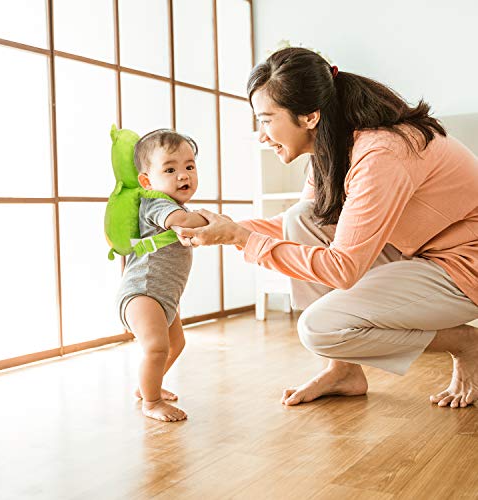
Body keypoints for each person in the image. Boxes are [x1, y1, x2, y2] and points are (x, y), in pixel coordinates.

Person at [175, 47, 478, 409]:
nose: (261, 135)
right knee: (299, 217)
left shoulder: (382, 153)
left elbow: (343, 268)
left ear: (309, 116)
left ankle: (466, 343)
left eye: (267, 120)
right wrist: (221, 227)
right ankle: (344, 371)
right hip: (421, 252)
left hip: (464, 265)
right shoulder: (335, 146)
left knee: (320, 329)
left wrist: (240, 238)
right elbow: (296, 226)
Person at [116, 129, 207, 422]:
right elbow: (179, 223)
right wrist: (211, 218)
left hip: (163, 295)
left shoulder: (174, 204)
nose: (183, 176)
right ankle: (152, 401)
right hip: (143, 291)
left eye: (189, 166)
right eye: (170, 169)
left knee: (175, 344)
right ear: (147, 180)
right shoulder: (156, 202)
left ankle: (148, 386)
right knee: (156, 347)